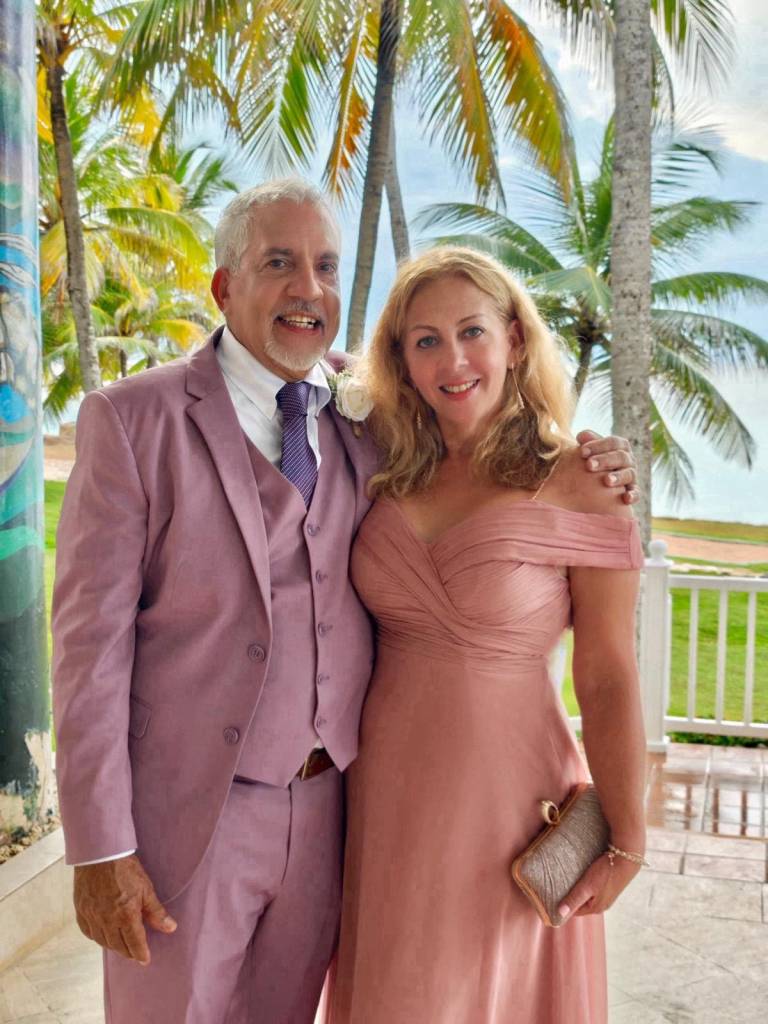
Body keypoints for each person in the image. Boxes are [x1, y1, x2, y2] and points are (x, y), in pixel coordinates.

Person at [51, 181, 638, 1024]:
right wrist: (101, 847)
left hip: (341, 811)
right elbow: (87, 651)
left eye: (326, 266)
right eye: (279, 263)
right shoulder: (132, 420)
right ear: (224, 286)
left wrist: (597, 457)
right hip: (190, 819)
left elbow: (594, 644)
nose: (308, 289)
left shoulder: (366, 421)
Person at [326, 246, 646, 1024]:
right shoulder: (388, 463)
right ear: (400, 360)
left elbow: (606, 674)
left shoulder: (584, 481)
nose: (453, 359)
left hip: (507, 798)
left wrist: (628, 837)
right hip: (384, 792)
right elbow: (288, 371)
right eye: (425, 339)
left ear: (512, 338)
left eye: (471, 331)